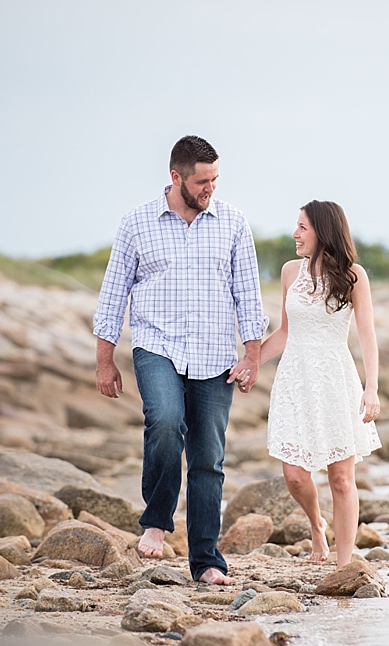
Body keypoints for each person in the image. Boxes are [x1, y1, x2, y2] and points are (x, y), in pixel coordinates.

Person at [93, 135, 267, 585]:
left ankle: (206, 561)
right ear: (176, 177)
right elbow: (113, 295)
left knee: (209, 459)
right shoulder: (136, 224)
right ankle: (157, 519)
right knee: (166, 421)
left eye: (215, 179)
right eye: (202, 180)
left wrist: (253, 355)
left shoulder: (233, 223)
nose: (210, 188)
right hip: (157, 345)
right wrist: (104, 361)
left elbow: (248, 294)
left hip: (214, 354)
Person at [239, 200, 381, 569]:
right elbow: (284, 332)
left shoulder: (354, 276)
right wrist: (250, 363)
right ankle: (317, 525)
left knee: (341, 478)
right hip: (294, 380)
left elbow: (367, 336)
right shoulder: (290, 272)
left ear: (323, 230)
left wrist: (372, 389)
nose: (295, 234)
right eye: (296, 227)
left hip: (336, 378)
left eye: (302, 227)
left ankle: (344, 564)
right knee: (295, 475)